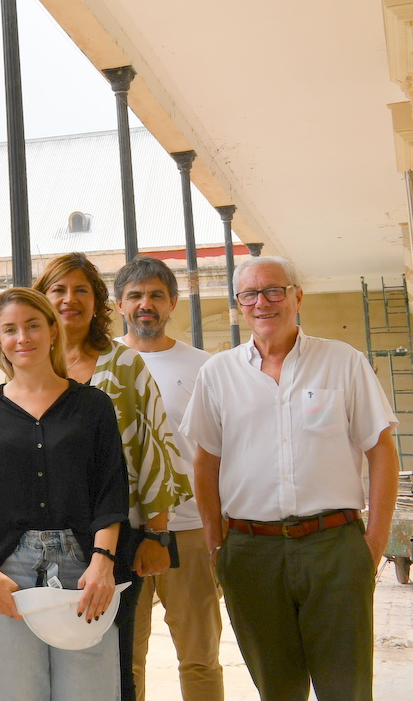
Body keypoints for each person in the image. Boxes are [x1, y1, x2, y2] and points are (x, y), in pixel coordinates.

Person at [180, 255, 399, 701]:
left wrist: (372, 544)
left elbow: (381, 451)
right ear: (239, 304)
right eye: (249, 294)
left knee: (347, 689)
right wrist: (217, 544)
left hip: (334, 549)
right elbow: (205, 463)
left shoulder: (343, 362)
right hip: (250, 553)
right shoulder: (217, 374)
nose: (262, 302)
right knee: (277, 690)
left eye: (274, 291)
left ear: (298, 297)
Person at [0, 287, 128, 701]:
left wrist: (103, 563)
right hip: (7, 571)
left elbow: (111, 493)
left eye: (33, 325)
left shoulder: (93, 406)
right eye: (10, 329)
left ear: (53, 330)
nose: (23, 337)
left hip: (84, 568)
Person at [37, 252, 189, 701]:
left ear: (98, 301)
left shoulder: (124, 364)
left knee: (116, 661)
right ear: (42, 298)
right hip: (41, 537)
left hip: (117, 533)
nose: (69, 299)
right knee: (52, 661)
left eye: (81, 290)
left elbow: (154, 446)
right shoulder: (27, 363)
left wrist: (157, 534)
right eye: (58, 290)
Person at [113, 257, 221, 701]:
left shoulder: (204, 366)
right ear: (119, 304)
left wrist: (218, 526)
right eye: (135, 296)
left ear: (173, 302)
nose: (146, 304)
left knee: (200, 657)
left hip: (189, 528)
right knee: (124, 661)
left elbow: (219, 449)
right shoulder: (103, 364)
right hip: (121, 531)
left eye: (156, 295)